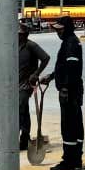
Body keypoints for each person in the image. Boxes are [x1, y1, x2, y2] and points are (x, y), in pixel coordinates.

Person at [40, 16, 84, 170]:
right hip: (74, 89)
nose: (58, 33)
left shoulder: (70, 43)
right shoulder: (70, 41)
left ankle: (69, 161)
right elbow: (64, 67)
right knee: (76, 124)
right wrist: (51, 77)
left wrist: (65, 88)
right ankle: (76, 158)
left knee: (69, 125)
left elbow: (71, 68)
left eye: (60, 30)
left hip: (70, 91)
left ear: (67, 29)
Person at [18, 21, 50, 151]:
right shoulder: (14, 46)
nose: (19, 36)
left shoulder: (31, 46)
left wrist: (36, 74)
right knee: (23, 110)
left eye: (21, 34)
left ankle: (22, 137)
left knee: (20, 107)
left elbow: (46, 58)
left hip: (27, 84)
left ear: (26, 35)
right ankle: (24, 138)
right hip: (16, 83)